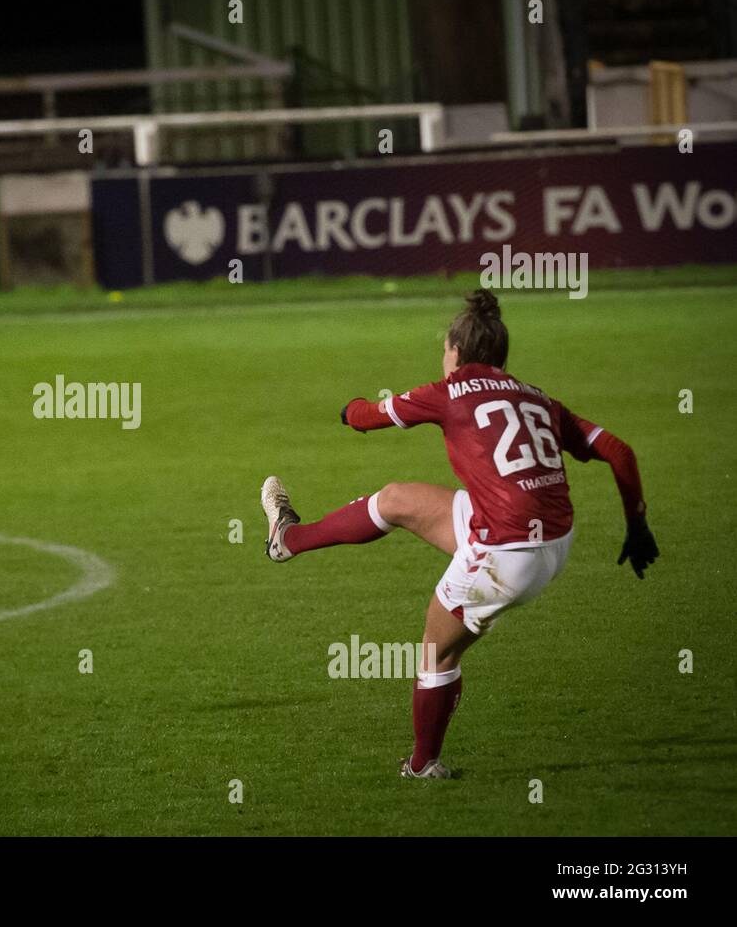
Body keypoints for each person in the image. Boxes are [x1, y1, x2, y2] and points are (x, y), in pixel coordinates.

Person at [260, 289, 658, 778]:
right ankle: (288, 539)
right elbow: (619, 450)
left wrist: (348, 409)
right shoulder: (538, 398)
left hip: (507, 553)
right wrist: (636, 524)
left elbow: (366, 417)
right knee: (398, 500)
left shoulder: (447, 392)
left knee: (435, 649)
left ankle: (424, 764)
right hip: (552, 538)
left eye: (445, 347)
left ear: (456, 352)